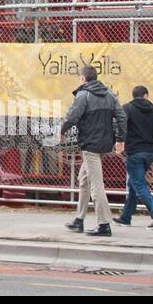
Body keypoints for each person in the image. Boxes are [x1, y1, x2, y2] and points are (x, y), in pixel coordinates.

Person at [61, 66, 126, 237]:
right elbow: (121, 116)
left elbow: (72, 117)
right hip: (104, 144)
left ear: (83, 79)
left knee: (96, 185)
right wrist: (120, 139)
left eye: (79, 79)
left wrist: (61, 131)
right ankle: (79, 220)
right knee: (84, 180)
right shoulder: (110, 94)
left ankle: (104, 224)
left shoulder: (84, 95)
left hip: (89, 145)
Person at [114, 85, 153, 230]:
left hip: (134, 153)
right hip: (149, 153)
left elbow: (122, 127)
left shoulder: (128, 108)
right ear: (146, 96)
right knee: (134, 184)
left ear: (133, 96)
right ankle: (126, 217)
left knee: (139, 185)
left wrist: (120, 143)